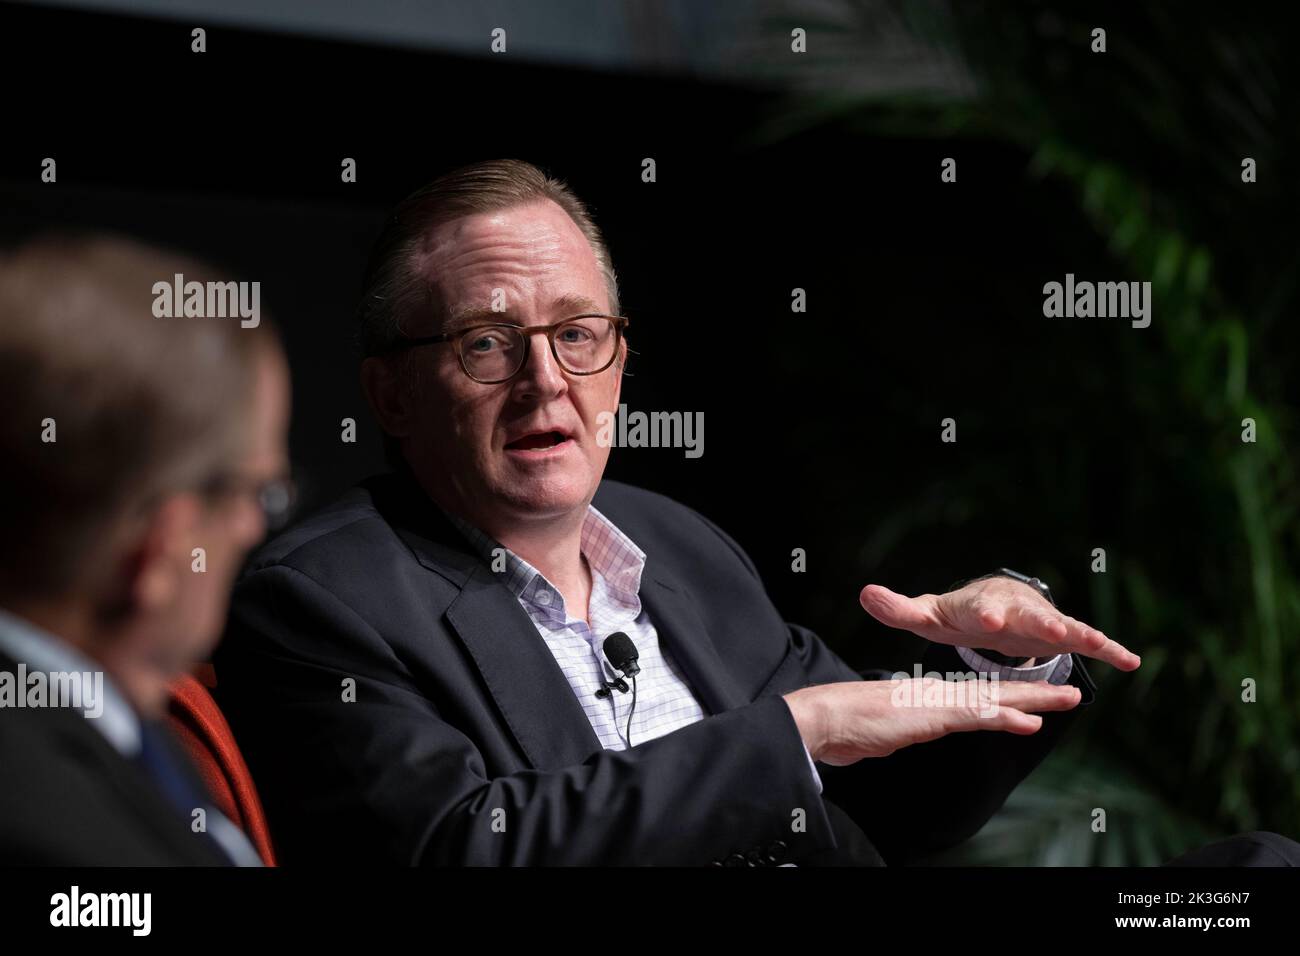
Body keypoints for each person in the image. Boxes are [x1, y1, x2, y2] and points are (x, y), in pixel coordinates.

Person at [214, 159, 1138, 866]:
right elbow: (463, 848)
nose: (547, 382)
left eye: (578, 335)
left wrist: (995, 655)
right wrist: (794, 734)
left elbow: (885, 804)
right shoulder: (321, 602)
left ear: (618, 365)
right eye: (487, 343)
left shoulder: (677, 544)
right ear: (391, 396)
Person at [0, 234, 291, 865]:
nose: (252, 530)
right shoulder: (60, 847)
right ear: (165, 546)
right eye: (259, 493)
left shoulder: (128, 726)